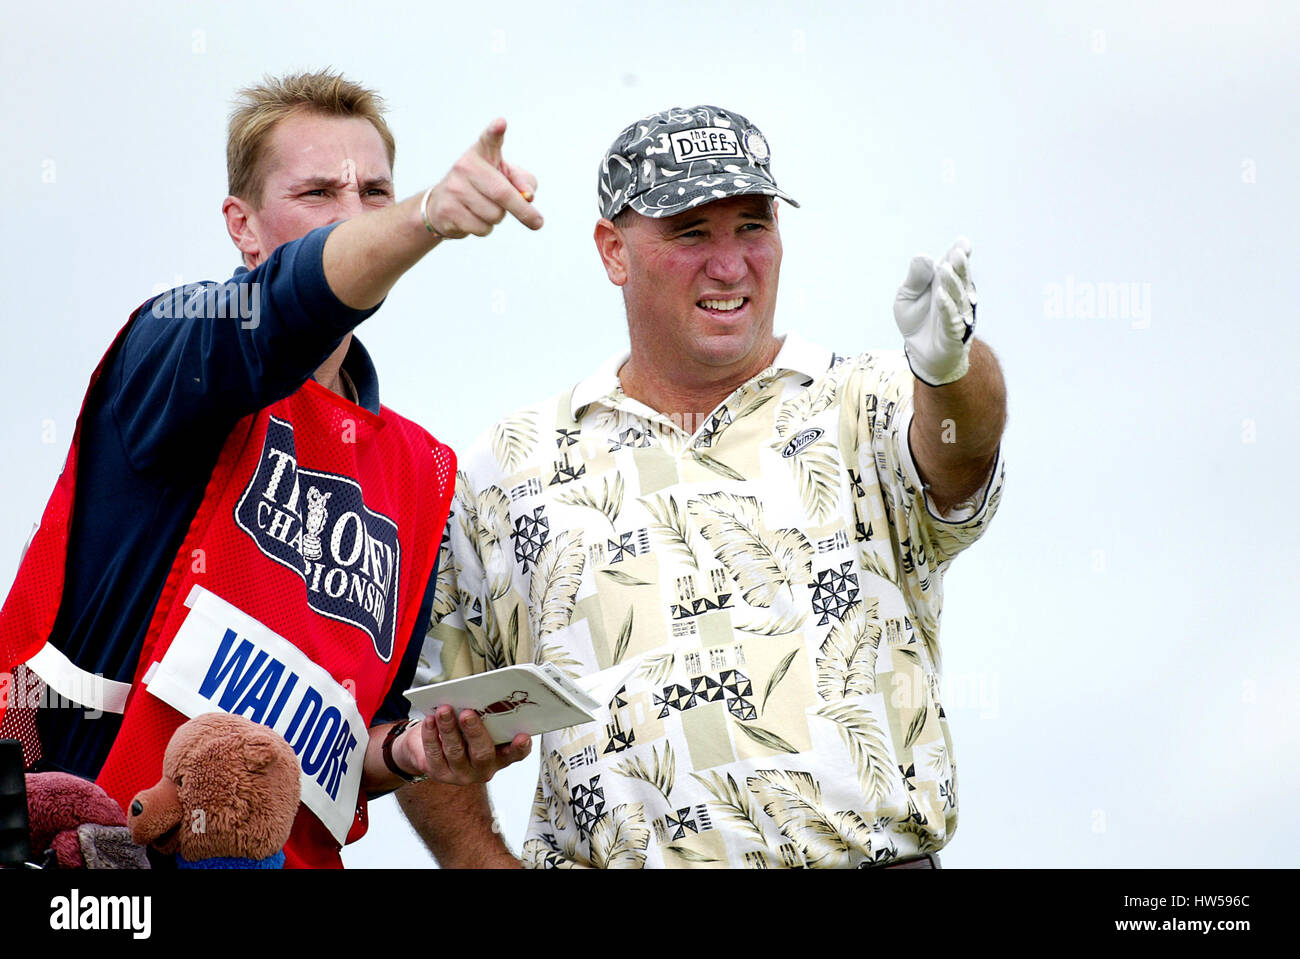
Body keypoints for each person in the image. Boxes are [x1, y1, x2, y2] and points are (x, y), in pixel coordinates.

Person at [400, 104, 1007, 869]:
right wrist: (477, 861)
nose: (729, 264)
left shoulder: (871, 400)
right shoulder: (513, 463)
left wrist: (951, 370)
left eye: (752, 226)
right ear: (613, 251)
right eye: (691, 234)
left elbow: (962, 463)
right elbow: (428, 703)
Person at [0, 70, 539, 868]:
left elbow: (348, 753)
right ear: (242, 224)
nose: (353, 216)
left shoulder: (422, 471)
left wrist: (415, 751)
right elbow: (282, 309)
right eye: (318, 192)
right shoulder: (175, 339)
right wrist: (423, 216)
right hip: (92, 865)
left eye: (377, 193)